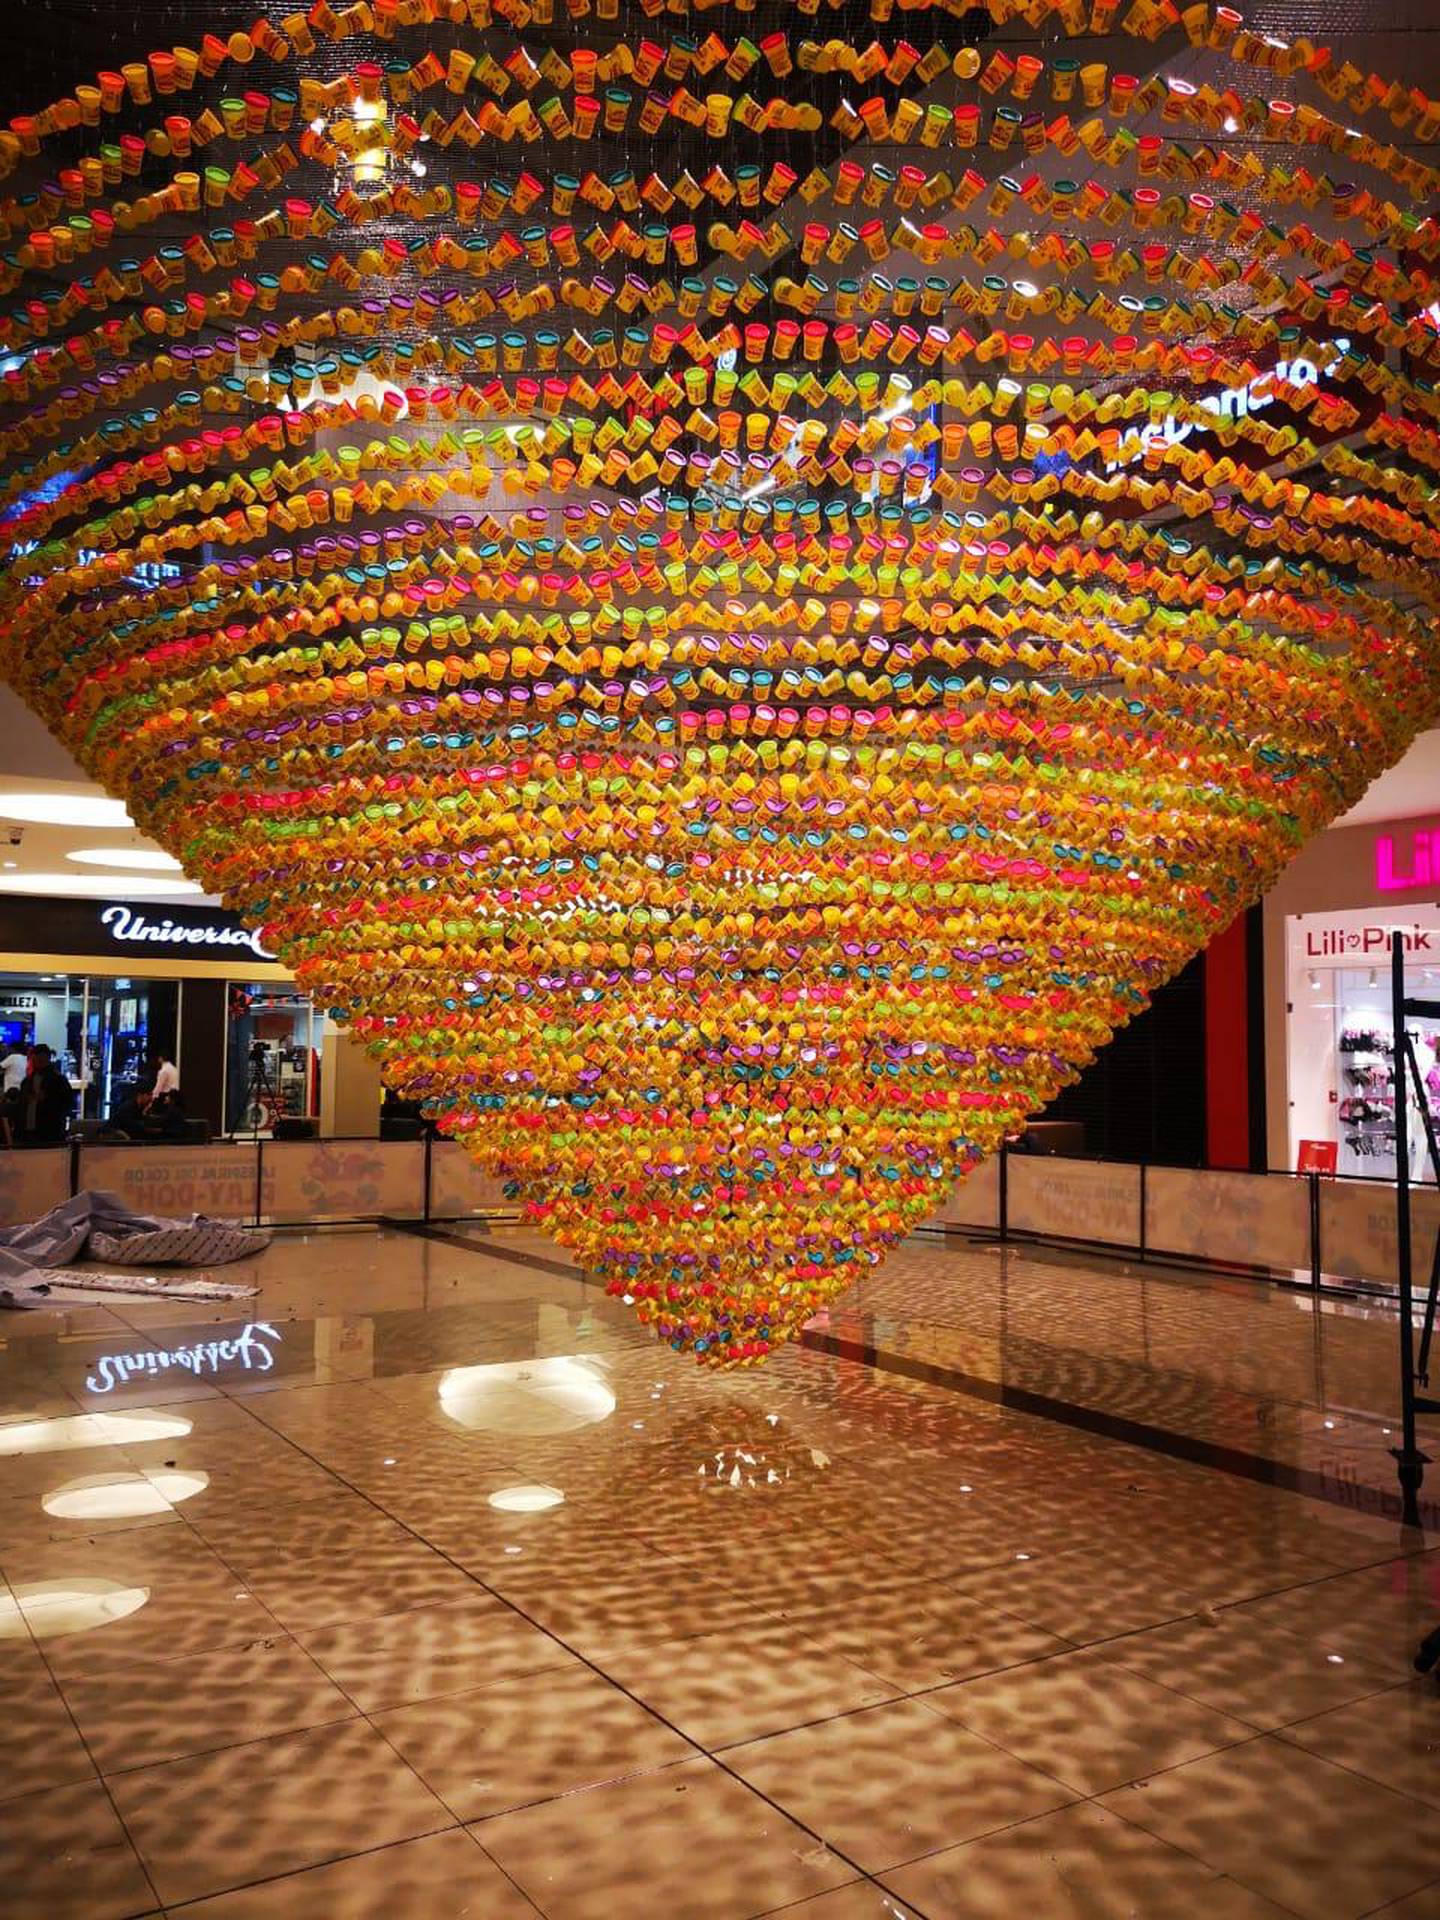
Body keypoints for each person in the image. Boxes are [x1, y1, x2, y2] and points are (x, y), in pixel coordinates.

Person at [20, 1044, 75, 1145]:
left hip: (50, 1127)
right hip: (30, 1126)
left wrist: (48, 1099)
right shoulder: (28, 1080)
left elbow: (67, 1102)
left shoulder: (57, 1080)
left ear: (47, 1059)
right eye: (35, 1060)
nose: (37, 1063)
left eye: (40, 1060)